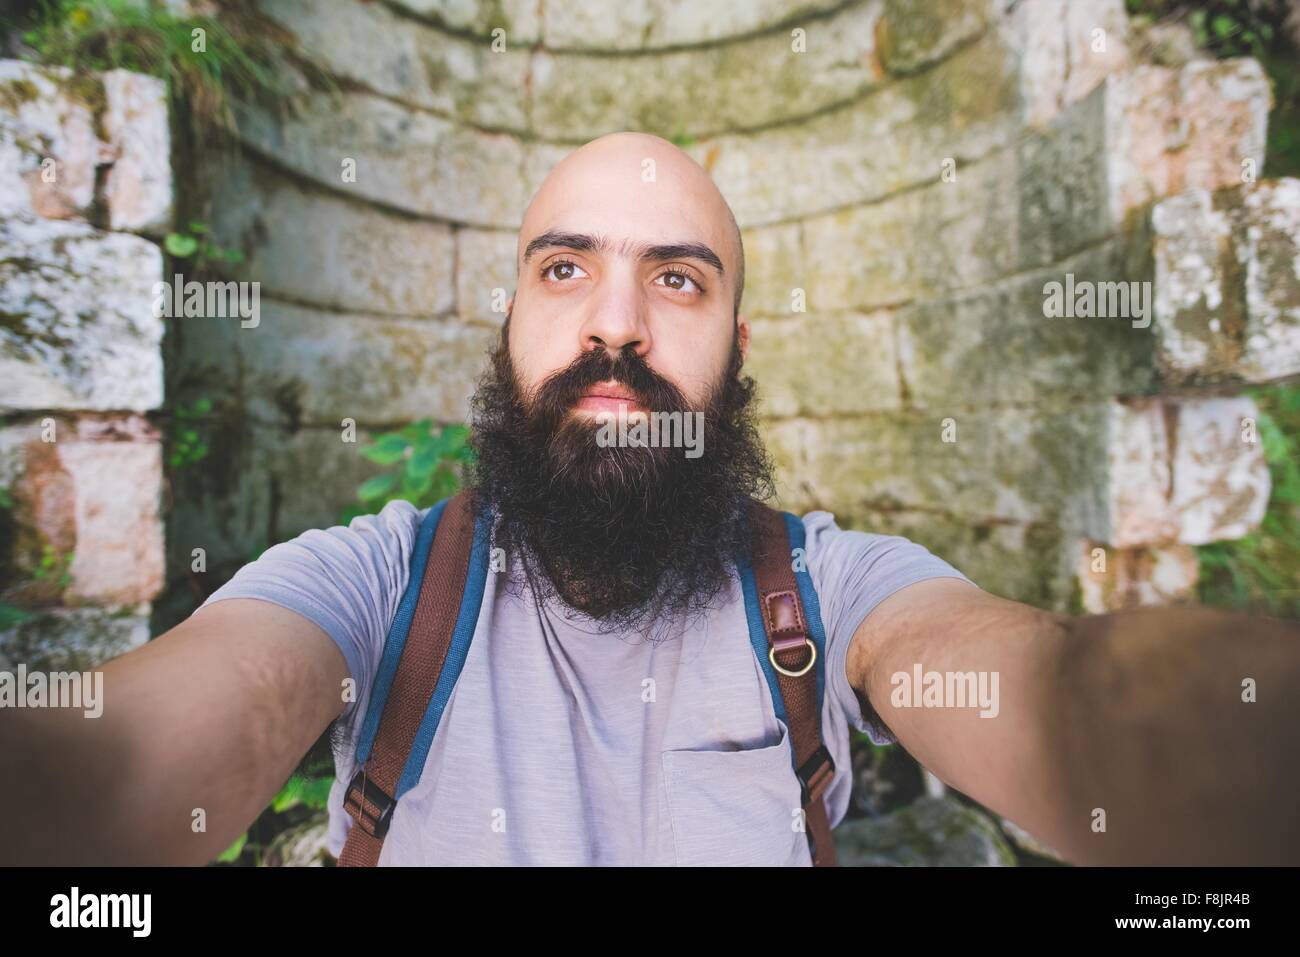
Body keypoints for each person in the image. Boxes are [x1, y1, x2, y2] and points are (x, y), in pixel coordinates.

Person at [3, 132, 1297, 867]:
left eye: (678, 281)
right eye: (564, 270)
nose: (613, 325)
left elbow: (1057, 702)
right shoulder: (371, 587)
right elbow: (127, 764)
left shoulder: (834, 591)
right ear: (508, 325)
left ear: (736, 351)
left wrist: (1220, 736)